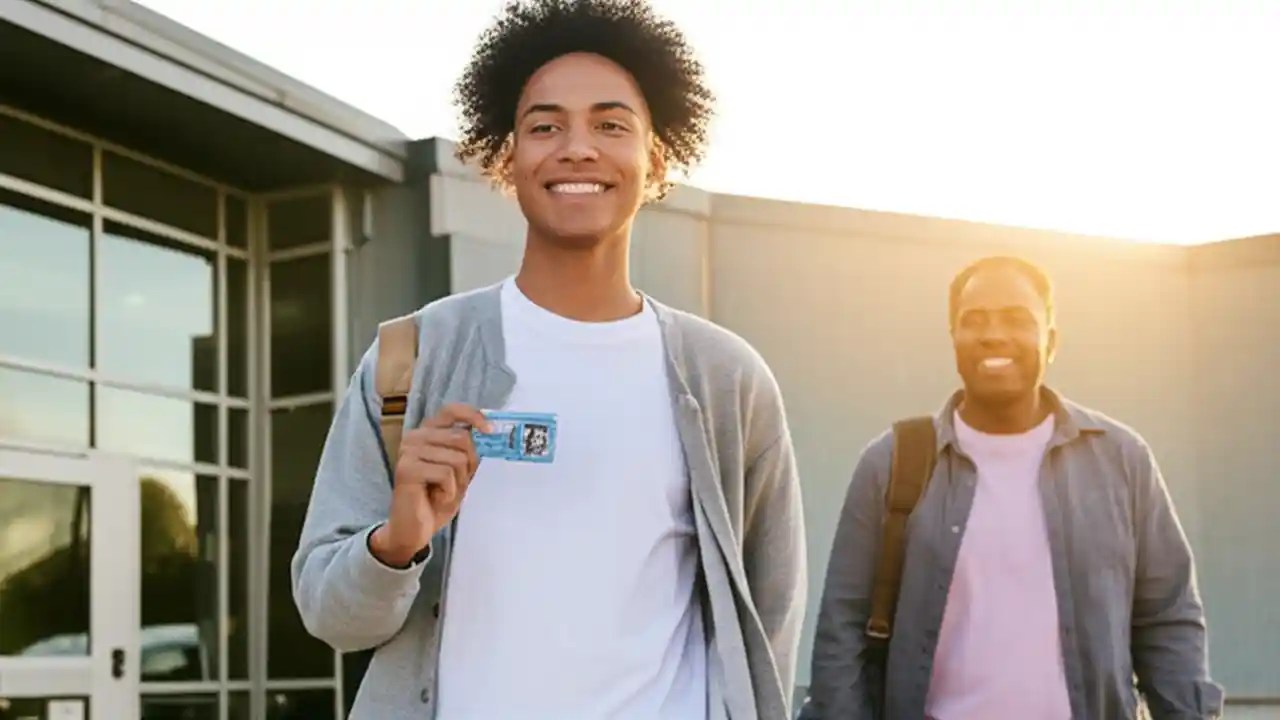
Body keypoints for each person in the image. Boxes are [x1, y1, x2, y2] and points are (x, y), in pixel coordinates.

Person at [290, 1, 807, 719]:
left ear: (656, 160)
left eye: (611, 124)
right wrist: (398, 542)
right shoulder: (414, 356)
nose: (576, 148)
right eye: (544, 126)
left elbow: (768, 623)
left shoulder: (727, 381)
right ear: (508, 157)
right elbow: (329, 615)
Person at [802, 256, 1223, 719]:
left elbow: (1167, 621)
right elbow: (842, 633)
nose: (993, 335)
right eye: (973, 321)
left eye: (1017, 320)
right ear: (954, 339)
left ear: (1052, 341)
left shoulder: (1121, 460)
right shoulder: (892, 462)